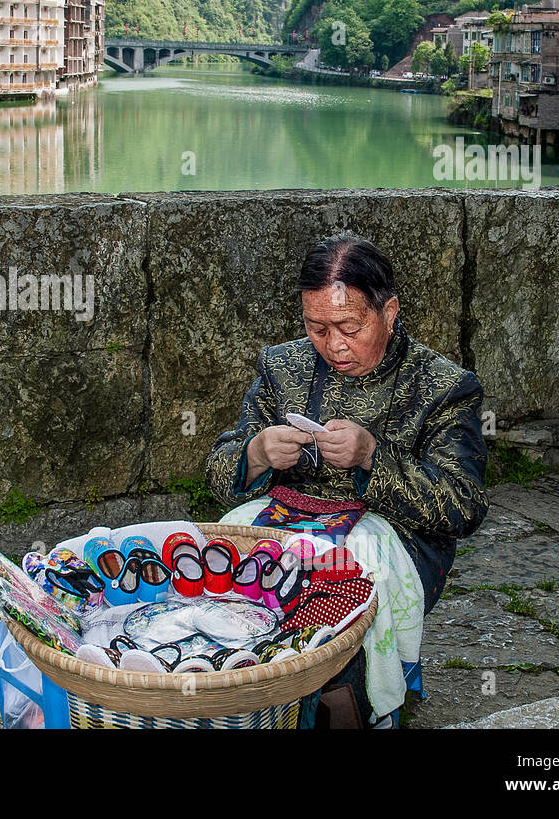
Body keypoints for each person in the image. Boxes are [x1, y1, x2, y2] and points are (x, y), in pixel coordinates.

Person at [204, 232, 489, 725]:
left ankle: (344, 707)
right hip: (285, 519)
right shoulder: (283, 367)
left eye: (350, 327)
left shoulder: (444, 387)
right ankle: (238, 699)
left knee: (337, 592)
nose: (334, 345)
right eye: (317, 328)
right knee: (217, 567)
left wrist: (372, 458)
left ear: (390, 310)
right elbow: (216, 472)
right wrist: (255, 453)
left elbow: (462, 506)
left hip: (399, 538)